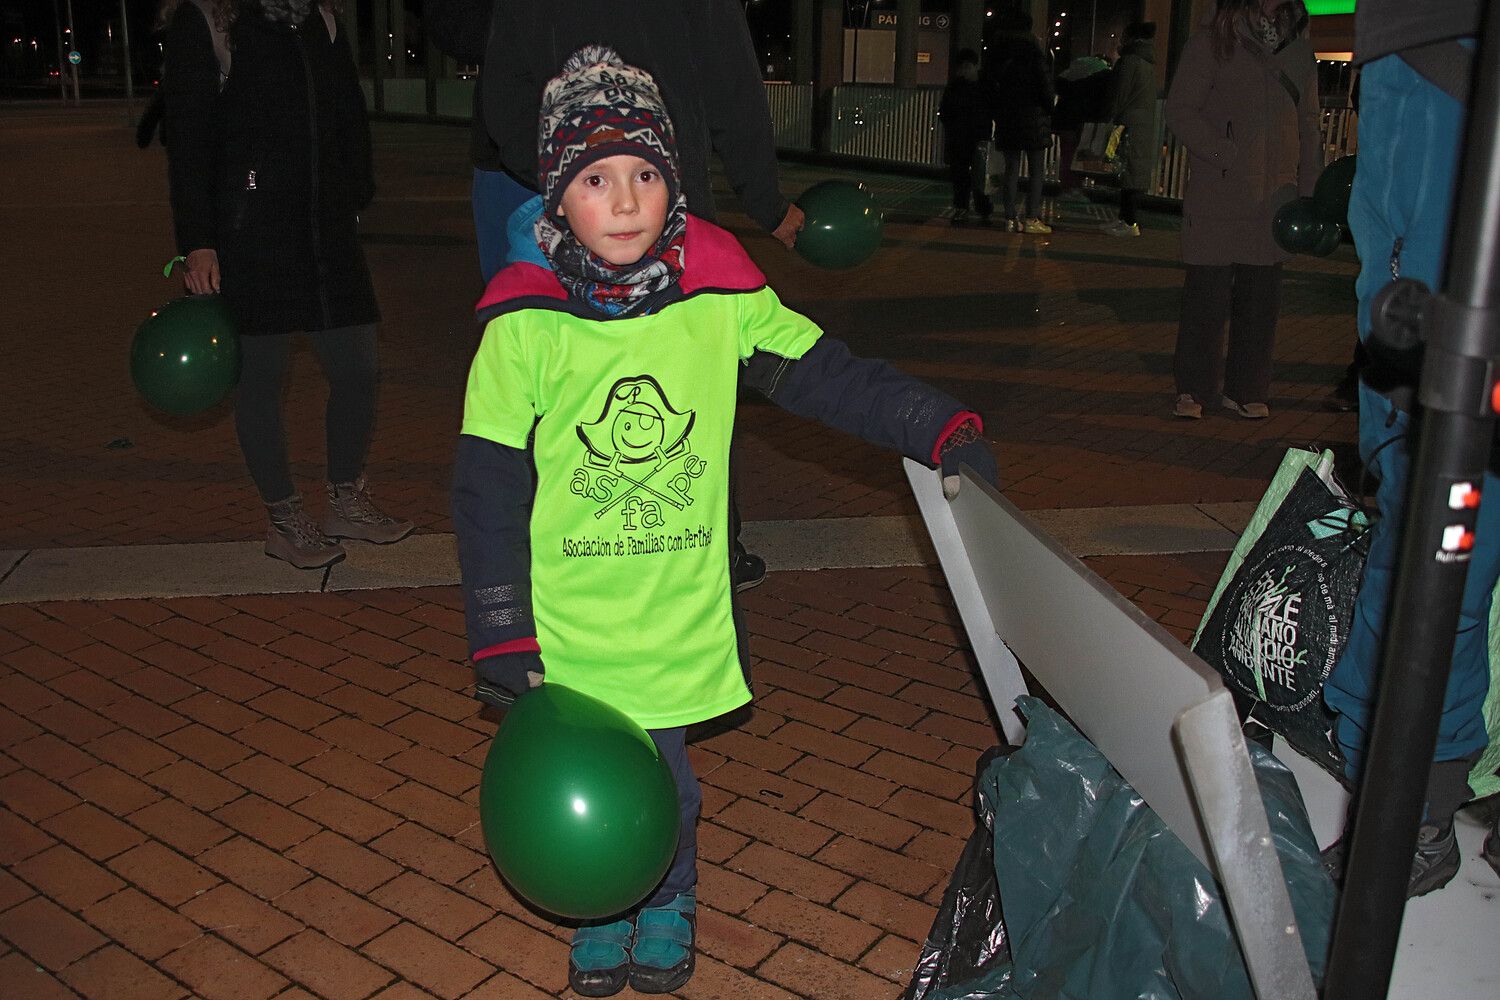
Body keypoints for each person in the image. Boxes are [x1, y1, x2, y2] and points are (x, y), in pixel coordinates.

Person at [452, 48, 999, 997]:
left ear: (673, 184)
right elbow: (485, 486)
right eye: (594, 178)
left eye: (645, 174)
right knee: (590, 783)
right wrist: (503, 626)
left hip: (672, 614)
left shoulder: (719, 297)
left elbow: (829, 374)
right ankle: (597, 905)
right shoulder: (524, 324)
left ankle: (665, 897)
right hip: (571, 621)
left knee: (668, 787)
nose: (624, 200)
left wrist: (932, 423)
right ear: (557, 196)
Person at [448, 0, 804, 592]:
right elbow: (733, 89)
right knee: (688, 379)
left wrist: (565, 181)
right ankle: (704, 544)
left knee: (578, 383)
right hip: (664, 200)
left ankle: (590, 542)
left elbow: (504, 98)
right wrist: (764, 200)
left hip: (578, 211)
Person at [1322, 0, 1499, 893]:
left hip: (1444, 62)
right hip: (1439, 54)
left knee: (1438, 517)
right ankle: (1414, 801)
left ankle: (1414, 808)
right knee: (1440, 503)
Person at [159, 0, 412, 568]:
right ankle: (284, 516)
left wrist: (354, 189)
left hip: (326, 230)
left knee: (357, 368)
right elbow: (189, 139)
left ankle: (346, 499)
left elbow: (348, 114)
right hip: (250, 233)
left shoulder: (319, 20)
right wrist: (198, 241)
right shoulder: (210, 23)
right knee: (262, 378)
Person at [1163, 0, 1320, 420]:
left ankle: (1248, 388)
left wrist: (1310, 190)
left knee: (1261, 298)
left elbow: (1309, 123)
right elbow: (1180, 110)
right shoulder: (1211, 42)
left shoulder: (1299, 50)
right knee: (1206, 298)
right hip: (1221, 190)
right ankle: (1193, 389)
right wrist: (1223, 152)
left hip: (1276, 198)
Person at [987, 11, 1055, 234]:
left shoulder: (999, 54)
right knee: (1036, 170)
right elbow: (1046, 88)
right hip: (1034, 117)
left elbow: (991, 86)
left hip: (1008, 117)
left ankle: (1009, 218)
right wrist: (1048, 109)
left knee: (1011, 169)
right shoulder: (1034, 53)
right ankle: (1032, 218)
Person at [1101, 22, 1160, 237]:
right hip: (1141, 125)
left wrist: (1109, 117)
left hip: (1128, 125)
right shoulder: (1146, 63)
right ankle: (1125, 219)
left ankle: (1129, 221)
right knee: (1131, 173)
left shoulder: (1129, 62)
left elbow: (1118, 94)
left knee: (1126, 172)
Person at [938, 48, 996, 226]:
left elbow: (945, 112)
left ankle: (969, 207)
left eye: (967, 66)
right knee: (969, 174)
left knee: (971, 175)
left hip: (966, 137)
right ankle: (975, 207)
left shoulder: (956, 87)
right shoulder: (984, 85)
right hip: (971, 136)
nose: (964, 70)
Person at [1052, 55, 1111, 202]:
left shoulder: (1068, 83)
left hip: (1065, 122)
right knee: (1076, 156)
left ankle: (1068, 187)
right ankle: (1074, 187)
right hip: (1078, 123)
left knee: (1067, 155)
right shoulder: (1095, 80)